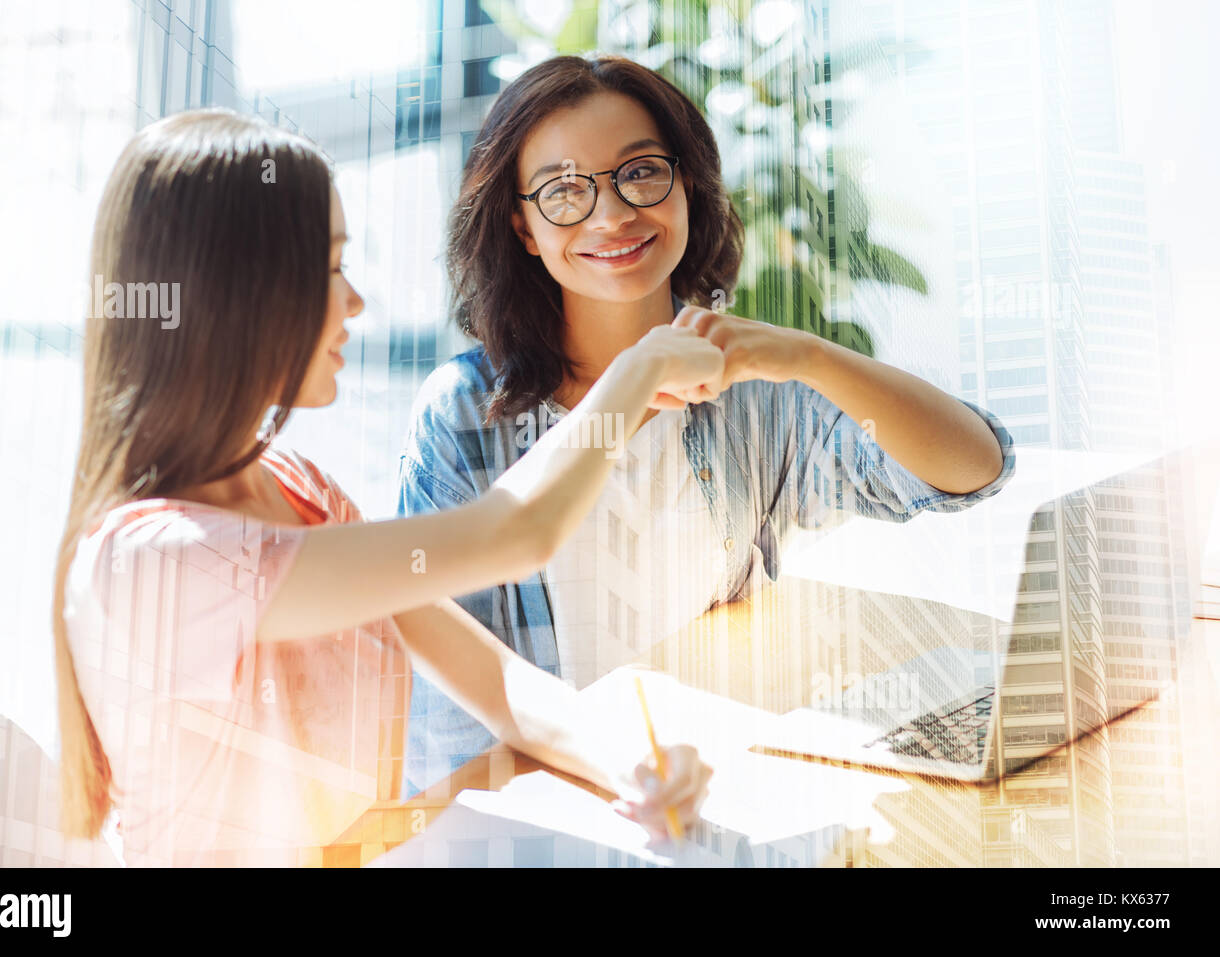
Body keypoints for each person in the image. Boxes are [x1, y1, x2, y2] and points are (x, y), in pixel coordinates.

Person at [53, 108, 720, 865]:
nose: (356, 303)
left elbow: (496, 680)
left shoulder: (301, 492)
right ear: (232, 294)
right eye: (330, 269)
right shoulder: (152, 563)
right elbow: (515, 533)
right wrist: (637, 372)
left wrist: (631, 758)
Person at [397, 55, 1017, 793]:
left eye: (641, 172)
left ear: (686, 181)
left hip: (718, 786)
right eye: (564, 190)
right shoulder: (462, 416)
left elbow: (971, 468)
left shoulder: (745, 388)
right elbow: (455, 721)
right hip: (561, 811)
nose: (613, 214)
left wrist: (812, 355)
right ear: (523, 227)